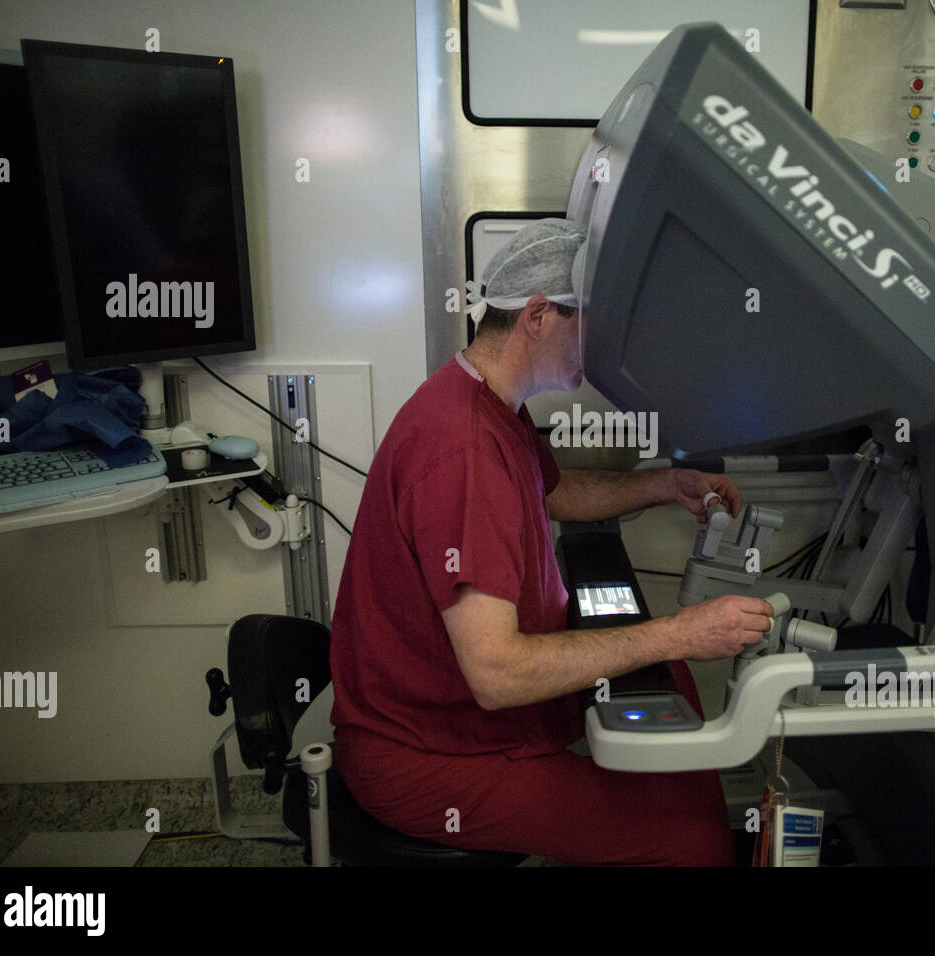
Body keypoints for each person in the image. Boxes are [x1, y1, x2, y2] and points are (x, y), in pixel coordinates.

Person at [330, 218, 774, 865]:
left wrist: (663, 485)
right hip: (429, 752)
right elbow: (495, 673)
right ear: (539, 316)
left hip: (467, 710)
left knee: (666, 678)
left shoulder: (490, 403)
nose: (599, 350)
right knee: (691, 837)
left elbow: (553, 495)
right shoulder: (460, 451)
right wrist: (682, 630)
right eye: (589, 326)